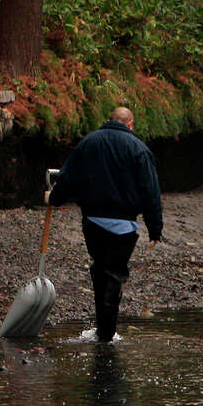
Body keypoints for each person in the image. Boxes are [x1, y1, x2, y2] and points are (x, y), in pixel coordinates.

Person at [48, 106, 163, 342]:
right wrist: (155, 228)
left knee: (101, 268)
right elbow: (151, 191)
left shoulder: (88, 143)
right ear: (130, 124)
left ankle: (103, 330)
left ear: (108, 120)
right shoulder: (139, 149)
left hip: (94, 220)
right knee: (113, 273)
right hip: (125, 225)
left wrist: (55, 199)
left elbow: (68, 176)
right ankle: (107, 333)